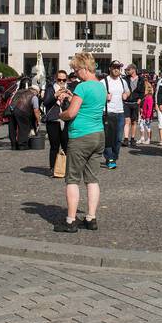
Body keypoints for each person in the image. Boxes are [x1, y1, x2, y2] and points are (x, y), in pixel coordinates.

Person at [54, 52, 105, 233]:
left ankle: (70, 221)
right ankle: (91, 218)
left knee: (72, 179)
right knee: (92, 179)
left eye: (76, 70)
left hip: (81, 135)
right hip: (98, 134)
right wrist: (70, 98)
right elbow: (89, 105)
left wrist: (61, 114)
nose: (75, 74)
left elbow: (72, 113)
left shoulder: (82, 88)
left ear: (84, 68)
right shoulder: (101, 86)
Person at [101, 60, 128, 169]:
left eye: (118, 67)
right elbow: (98, 95)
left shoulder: (123, 81)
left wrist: (126, 94)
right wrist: (105, 97)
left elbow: (127, 91)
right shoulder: (104, 82)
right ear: (110, 68)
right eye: (115, 67)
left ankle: (114, 156)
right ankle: (110, 158)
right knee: (108, 138)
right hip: (108, 112)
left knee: (118, 138)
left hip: (120, 112)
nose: (117, 69)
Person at [122, 65, 142, 148]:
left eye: (128, 69)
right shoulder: (125, 79)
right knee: (127, 121)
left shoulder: (141, 79)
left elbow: (142, 91)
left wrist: (140, 99)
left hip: (135, 103)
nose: (127, 71)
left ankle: (132, 138)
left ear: (133, 70)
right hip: (126, 103)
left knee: (134, 121)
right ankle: (126, 139)